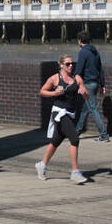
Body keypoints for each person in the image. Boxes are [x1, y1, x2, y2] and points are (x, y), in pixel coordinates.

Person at [36, 56, 87, 184]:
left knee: (56, 141)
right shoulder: (55, 78)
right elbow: (42, 92)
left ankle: (42, 165)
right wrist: (54, 93)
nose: (71, 66)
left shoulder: (77, 78)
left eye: (72, 64)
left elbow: (87, 95)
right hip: (58, 113)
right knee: (74, 138)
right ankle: (75, 172)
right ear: (61, 65)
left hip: (70, 114)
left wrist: (83, 92)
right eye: (68, 64)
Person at [74, 32, 110, 141]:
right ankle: (76, 132)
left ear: (80, 40)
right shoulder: (95, 52)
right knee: (85, 109)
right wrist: (102, 85)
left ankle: (104, 135)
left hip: (87, 84)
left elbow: (78, 70)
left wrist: (75, 81)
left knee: (93, 108)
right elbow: (100, 70)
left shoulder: (83, 52)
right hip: (95, 83)